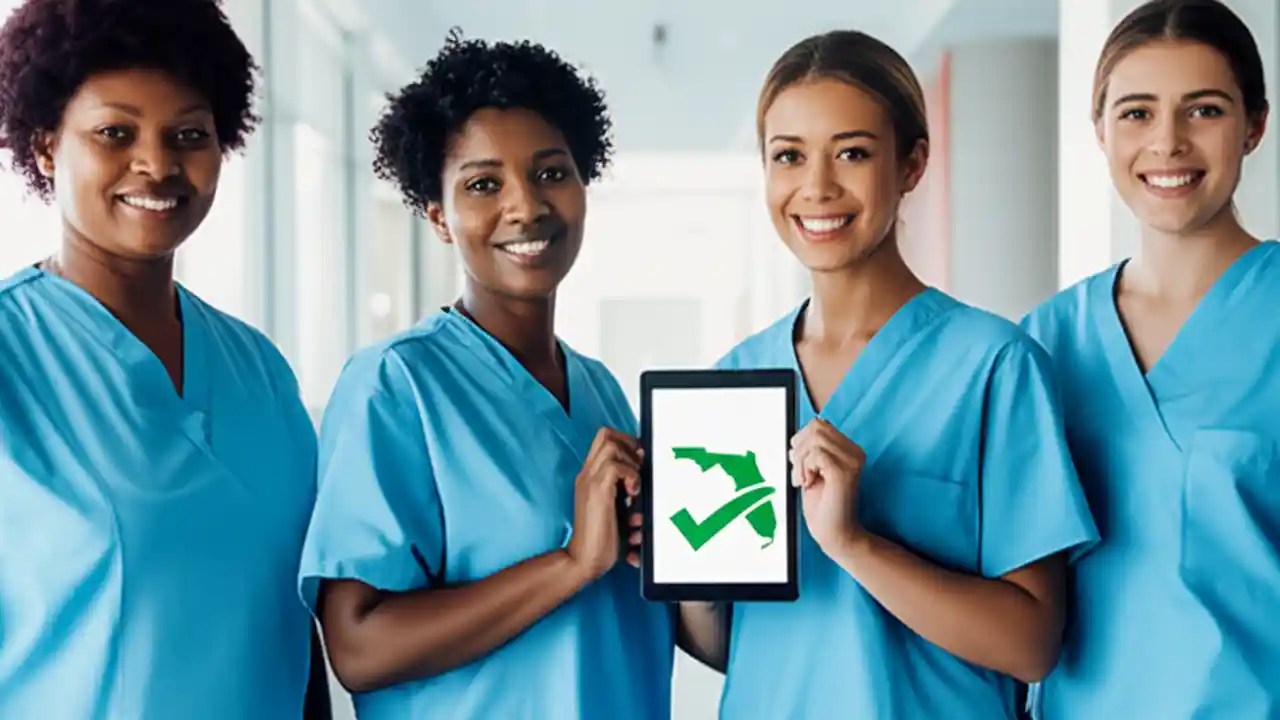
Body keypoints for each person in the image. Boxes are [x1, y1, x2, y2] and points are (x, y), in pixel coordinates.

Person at [656, 30, 1098, 719]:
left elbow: (1031, 643)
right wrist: (686, 570)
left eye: (853, 153)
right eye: (789, 156)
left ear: (912, 163)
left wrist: (853, 544)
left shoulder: (991, 365)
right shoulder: (734, 380)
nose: (817, 187)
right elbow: (734, 644)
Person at [298, 32, 673, 719]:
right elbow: (357, 647)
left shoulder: (603, 393)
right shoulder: (396, 385)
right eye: (483, 184)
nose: (526, 205)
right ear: (438, 216)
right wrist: (570, 564)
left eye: (552, 172)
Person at [0, 0, 329, 718]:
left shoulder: (261, 373)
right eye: (115, 132)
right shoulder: (10, 357)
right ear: (46, 146)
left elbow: (292, 626)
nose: (156, 163)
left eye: (188, 134)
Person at [1021, 1, 1277, 717]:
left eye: (1204, 111)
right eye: (1136, 113)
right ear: (1099, 131)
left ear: (1254, 125)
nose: (1168, 142)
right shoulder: (1041, 344)